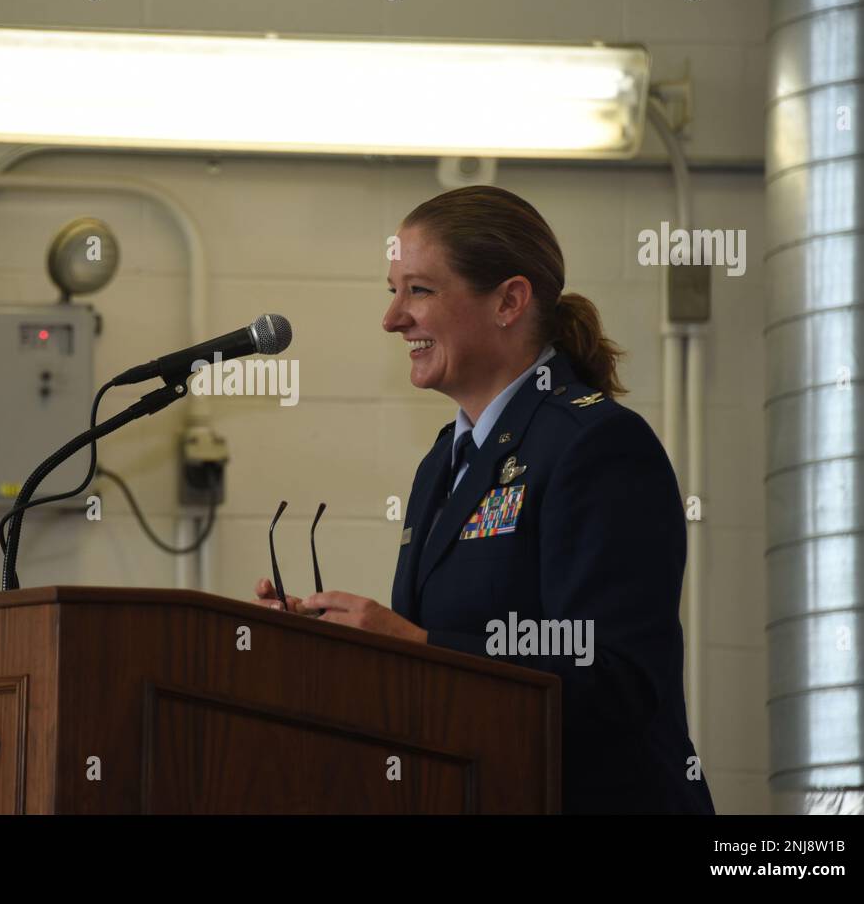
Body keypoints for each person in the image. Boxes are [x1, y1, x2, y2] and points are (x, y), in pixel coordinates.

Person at [254, 185, 715, 814]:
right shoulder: (443, 463)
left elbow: (614, 681)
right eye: (393, 291)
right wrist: (338, 651)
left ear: (508, 301)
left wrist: (415, 648)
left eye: (418, 290)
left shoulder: (598, 446)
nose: (392, 318)